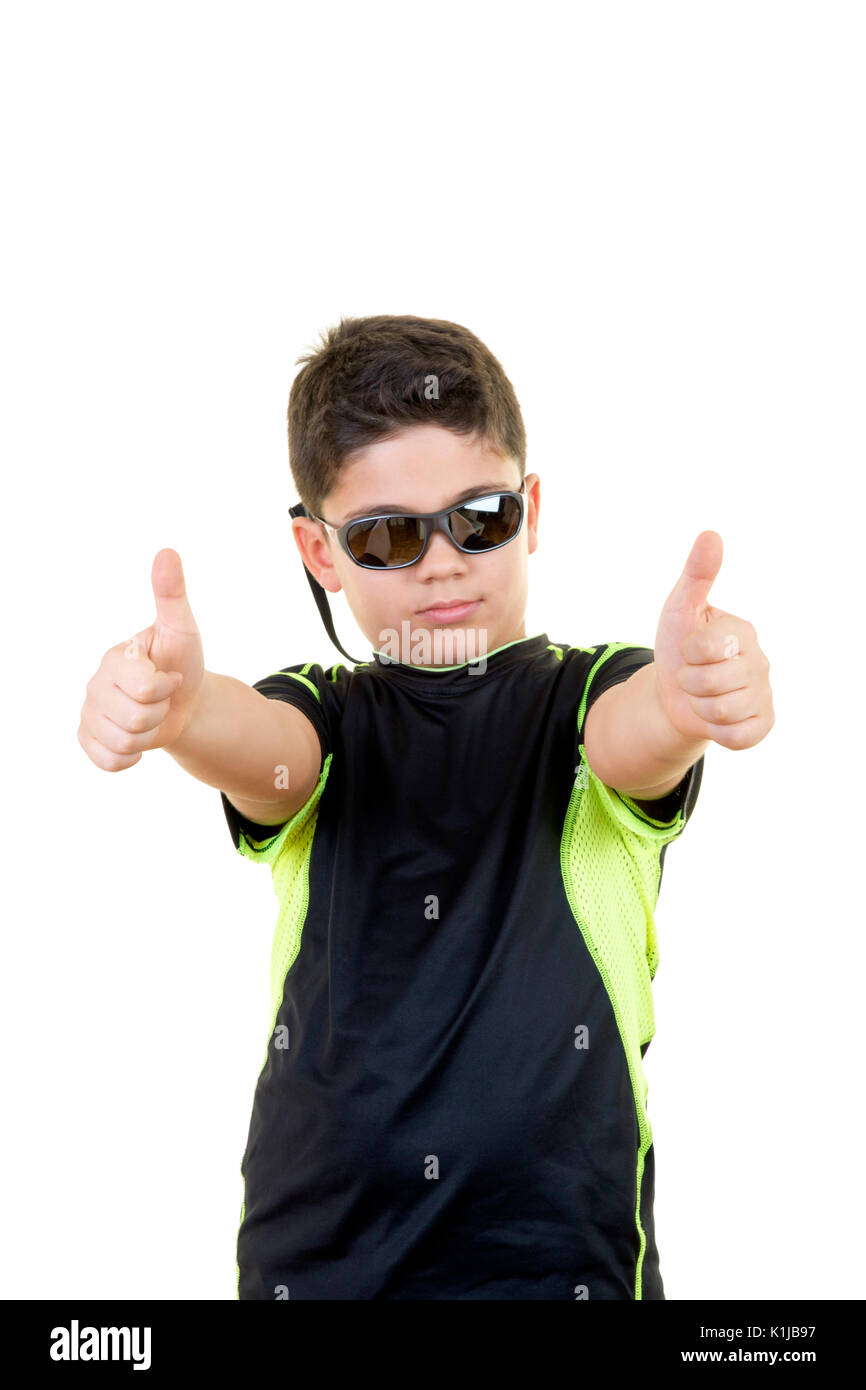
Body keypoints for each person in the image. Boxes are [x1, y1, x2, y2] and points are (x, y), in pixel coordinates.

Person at [78, 314, 774, 1300]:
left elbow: (635, 743)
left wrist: (681, 697)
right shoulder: (324, 717)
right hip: (317, 1263)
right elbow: (263, 755)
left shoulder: (588, 700)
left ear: (530, 510)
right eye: (389, 535)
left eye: (477, 517)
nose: (441, 563)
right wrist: (185, 712)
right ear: (320, 554)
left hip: (558, 1265)